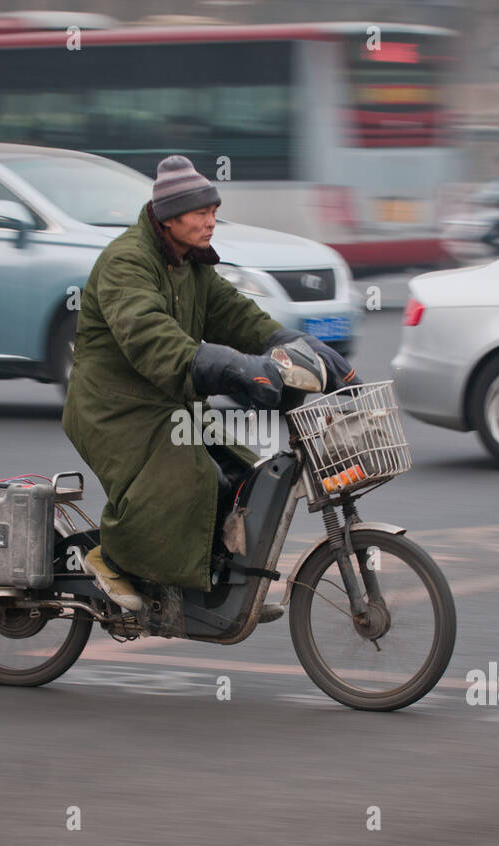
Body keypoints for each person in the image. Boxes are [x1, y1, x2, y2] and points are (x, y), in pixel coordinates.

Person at [62, 154, 357, 612]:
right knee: (192, 478)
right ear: (169, 217)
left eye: (214, 212)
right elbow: (150, 338)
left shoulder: (191, 266)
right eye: (201, 212)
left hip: (167, 404)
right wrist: (233, 367)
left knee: (241, 473)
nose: (211, 221)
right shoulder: (127, 263)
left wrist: (296, 342)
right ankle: (111, 555)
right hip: (112, 407)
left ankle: (211, 586)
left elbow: (238, 317)